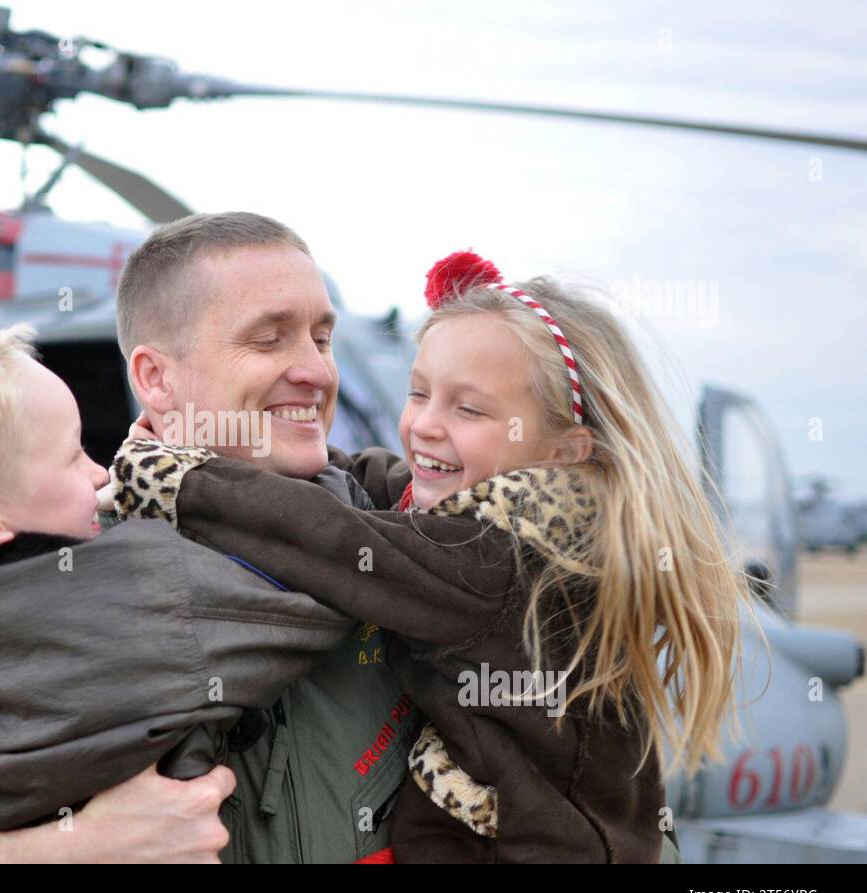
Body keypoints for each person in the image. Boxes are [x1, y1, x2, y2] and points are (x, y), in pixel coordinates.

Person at [0, 212, 415, 863]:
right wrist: (62, 848)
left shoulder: (402, 553)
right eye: (269, 339)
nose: (316, 371)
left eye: (322, 337)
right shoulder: (59, 583)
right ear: (154, 378)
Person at [109, 250, 746, 861]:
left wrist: (177, 479)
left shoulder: (495, 560)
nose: (422, 426)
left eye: (468, 408)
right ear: (154, 378)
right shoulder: (545, 530)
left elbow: (338, 542)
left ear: (563, 449)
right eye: (418, 394)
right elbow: (382, 492)